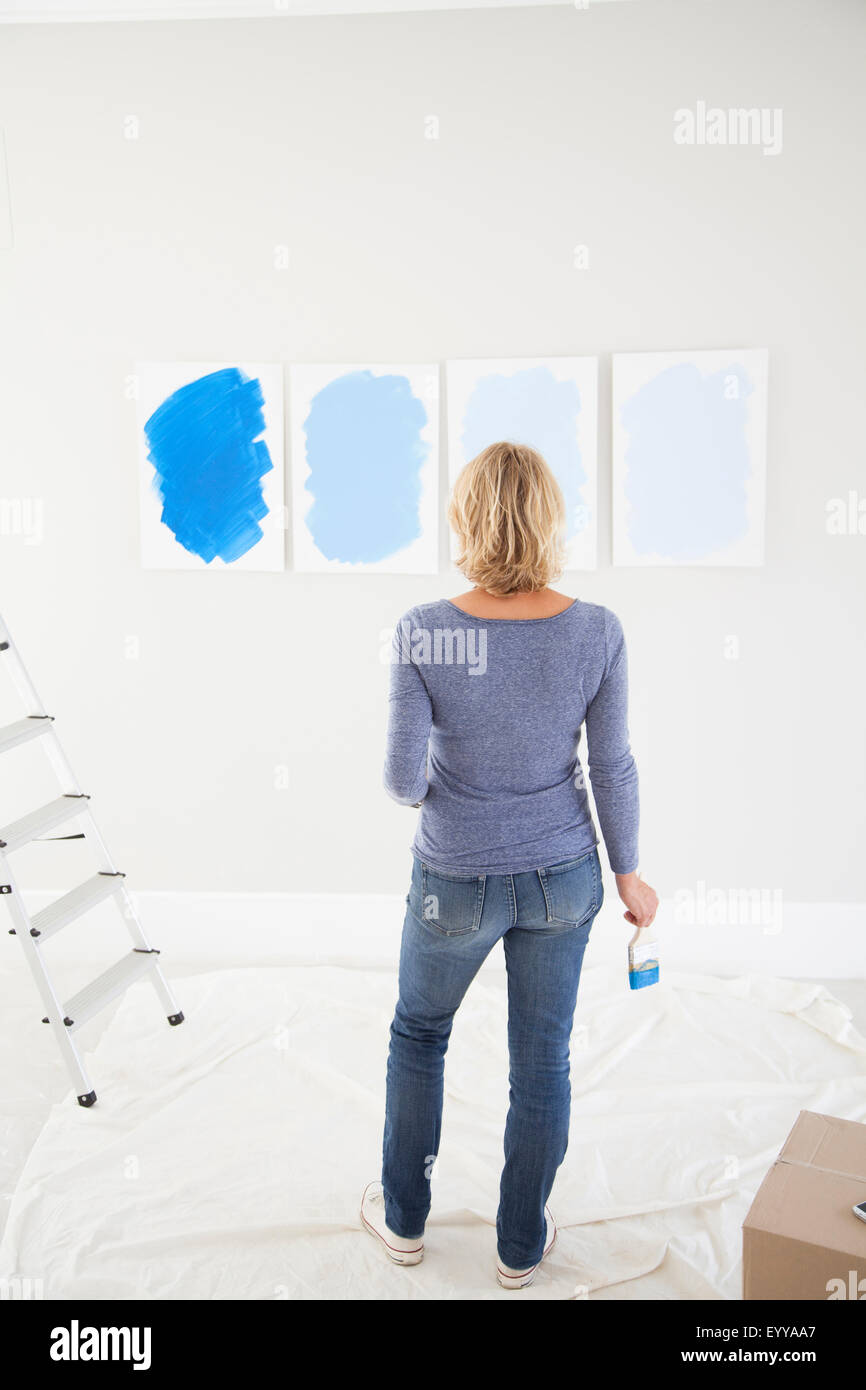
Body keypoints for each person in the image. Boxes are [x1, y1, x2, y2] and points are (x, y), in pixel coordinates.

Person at [361, 441, 658, 1289]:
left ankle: (406, 1221)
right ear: (549, 520)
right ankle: (520, 1246)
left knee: (420, 1035)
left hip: (453, 878)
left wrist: (455, 786)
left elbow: (396, 778)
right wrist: (630, 871)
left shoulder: (424, 630)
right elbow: (613, 765)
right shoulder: (596, 631)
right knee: (542, 1060)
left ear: (466, 518)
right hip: (564, 877)